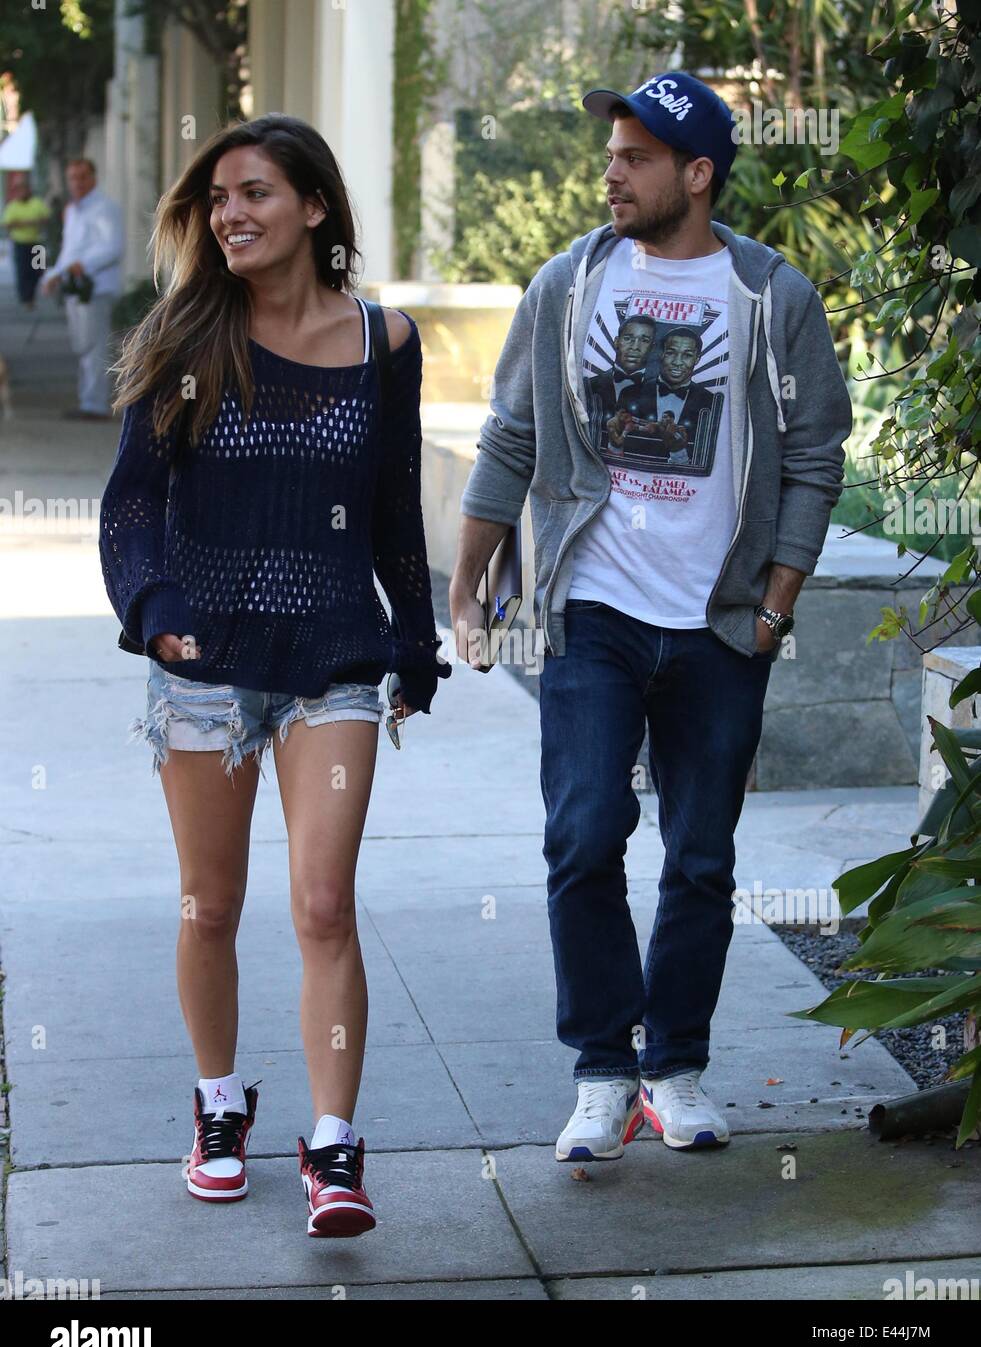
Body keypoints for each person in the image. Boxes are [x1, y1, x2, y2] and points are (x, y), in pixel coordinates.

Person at [450, 71, 852, 1163]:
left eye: (635, 156)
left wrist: (777, 601)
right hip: (595, 608)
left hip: (720, 624)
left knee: (703, 857)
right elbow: (510, 438)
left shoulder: (775, 299)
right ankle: (600, 1069)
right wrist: (470, 579)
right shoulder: (570, 283)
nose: (611, 171)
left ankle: (674, 1065)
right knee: (583, 835)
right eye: (612, 152)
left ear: (698, 174)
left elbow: (817, 458)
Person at [98, 114, 450, 1236]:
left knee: (323, 902)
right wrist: (155, 614)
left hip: (330, 658)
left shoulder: (381, 345)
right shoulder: (191, 334)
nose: (231, 215)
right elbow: (133, 504)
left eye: (254, 193)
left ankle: (334, 1147)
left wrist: (415, 637)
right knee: (211, 904)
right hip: (205, 664)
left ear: (312, 208)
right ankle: (217, 1104)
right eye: (216, 200)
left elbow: (396, 510)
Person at [39, 158, 123, 419]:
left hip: (95, 289)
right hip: (75, 288)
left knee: (94, 346)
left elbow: (113, 248)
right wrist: (53, 275)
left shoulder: (105, 208)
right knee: (83, 346)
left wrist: (82, 265)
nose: (77, 182)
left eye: (82, 176)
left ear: (93, 178)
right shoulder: (74, 210)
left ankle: (95, 404)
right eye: (73, 177)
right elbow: (69, 251)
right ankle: (88, 400)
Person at [1, 172, 51, 308]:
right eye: (18, 189)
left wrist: (35, 222)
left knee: (39, 269)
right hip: (20, 243)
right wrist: (22, 224)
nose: (21, 192)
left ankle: (32, 294)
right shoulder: (13, 206)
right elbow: (7, 223)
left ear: (28, 189)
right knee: (23, 271)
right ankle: (26, 298)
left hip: (37, 242)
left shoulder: (37, 203)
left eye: (23, 188)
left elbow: (46, 218)